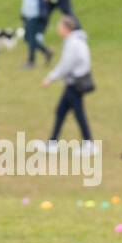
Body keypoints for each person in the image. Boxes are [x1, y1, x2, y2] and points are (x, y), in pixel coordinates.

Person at [41, 15, 92, 146]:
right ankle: (53, 142)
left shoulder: (73, 43)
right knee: (61, 111)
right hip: (74, 82)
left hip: (74, 83)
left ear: (66, 28)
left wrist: (50, 78)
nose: (58, 29)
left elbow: (66, 65)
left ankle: (89, 143)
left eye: (60, 26)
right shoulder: (76, 40)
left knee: (78, 113)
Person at [21, 0, 53, 68]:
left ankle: (31, 61)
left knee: (31, 37)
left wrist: (42, 11)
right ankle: (46, 51)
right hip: (28, 12)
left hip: (34, 13)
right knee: (28, 37)